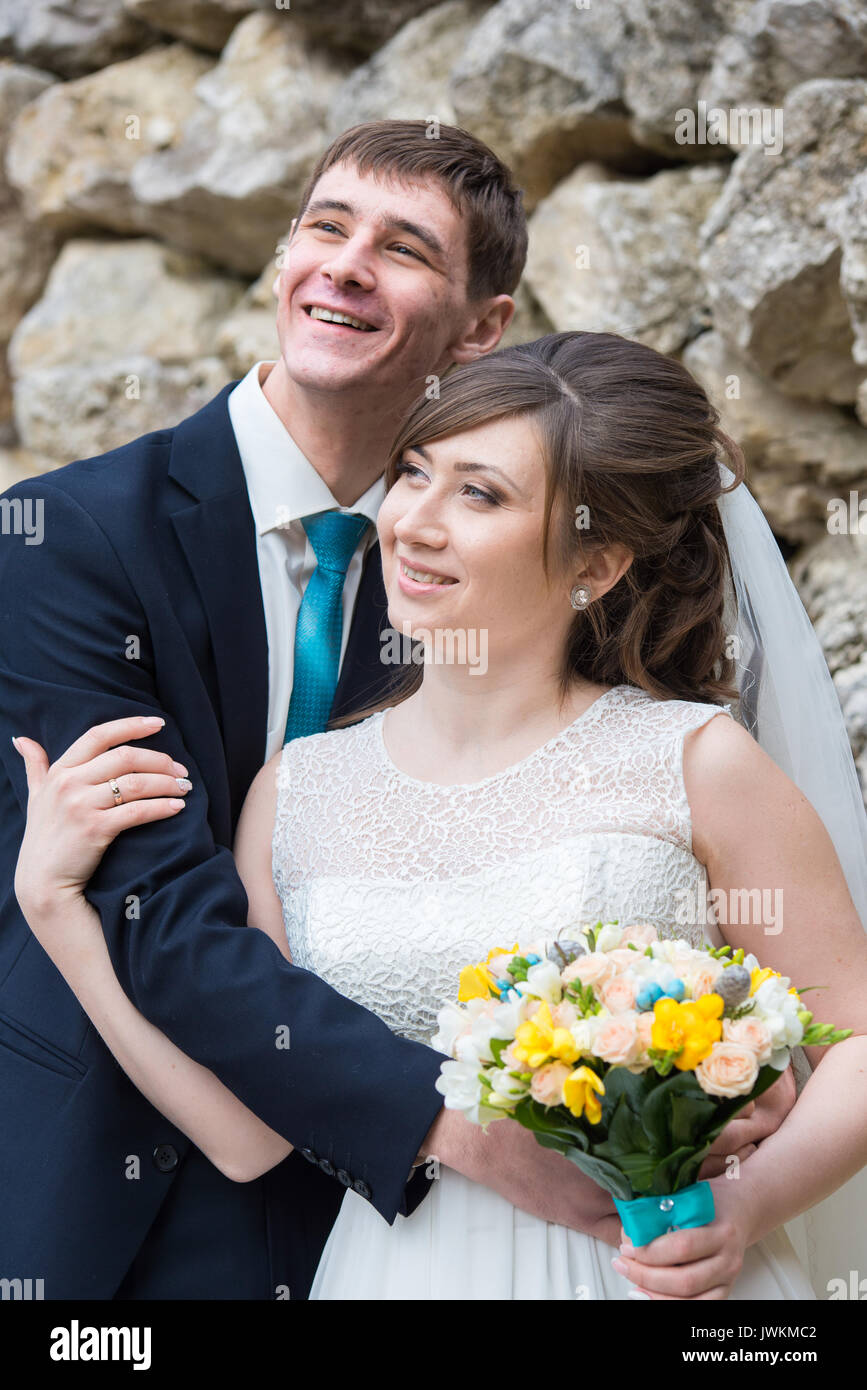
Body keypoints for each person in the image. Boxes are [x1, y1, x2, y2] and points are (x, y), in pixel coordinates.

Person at [13, 332, 867, 1299]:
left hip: (660, 1274)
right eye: (412, 472)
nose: (413, 521)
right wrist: (55, 907)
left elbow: (856, 1043)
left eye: (480, 494)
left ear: (596, 560)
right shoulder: (296, 789)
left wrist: (746, 1207)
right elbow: (243, 1134)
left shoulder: (693, 760)